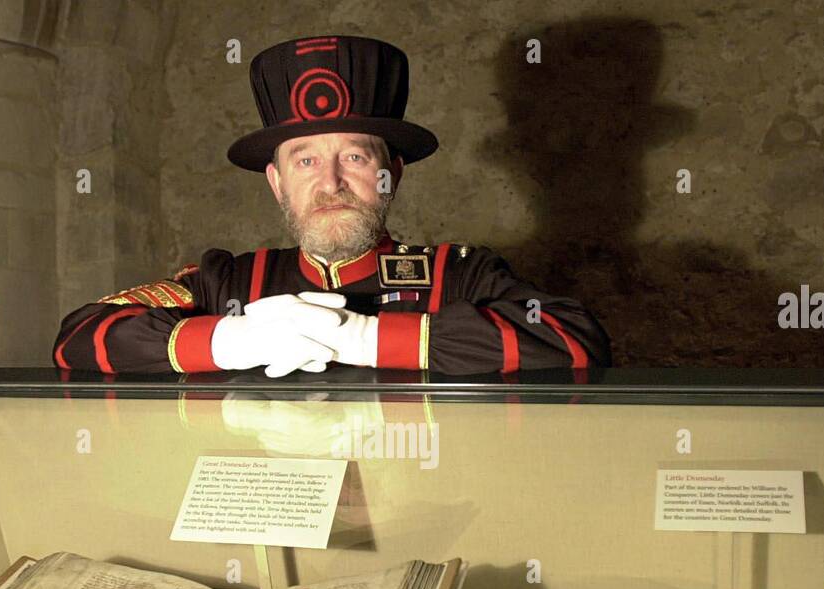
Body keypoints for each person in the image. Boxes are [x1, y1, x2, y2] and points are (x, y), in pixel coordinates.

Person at [53, 35, 610, 377]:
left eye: (355, 158)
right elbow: (79, 336)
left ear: (391, 175)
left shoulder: (461, 274)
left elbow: (574, 338)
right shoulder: (224, 283)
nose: (331, 183)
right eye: (305, 162)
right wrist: (225, 340)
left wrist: (364, 338)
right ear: (276, 184)